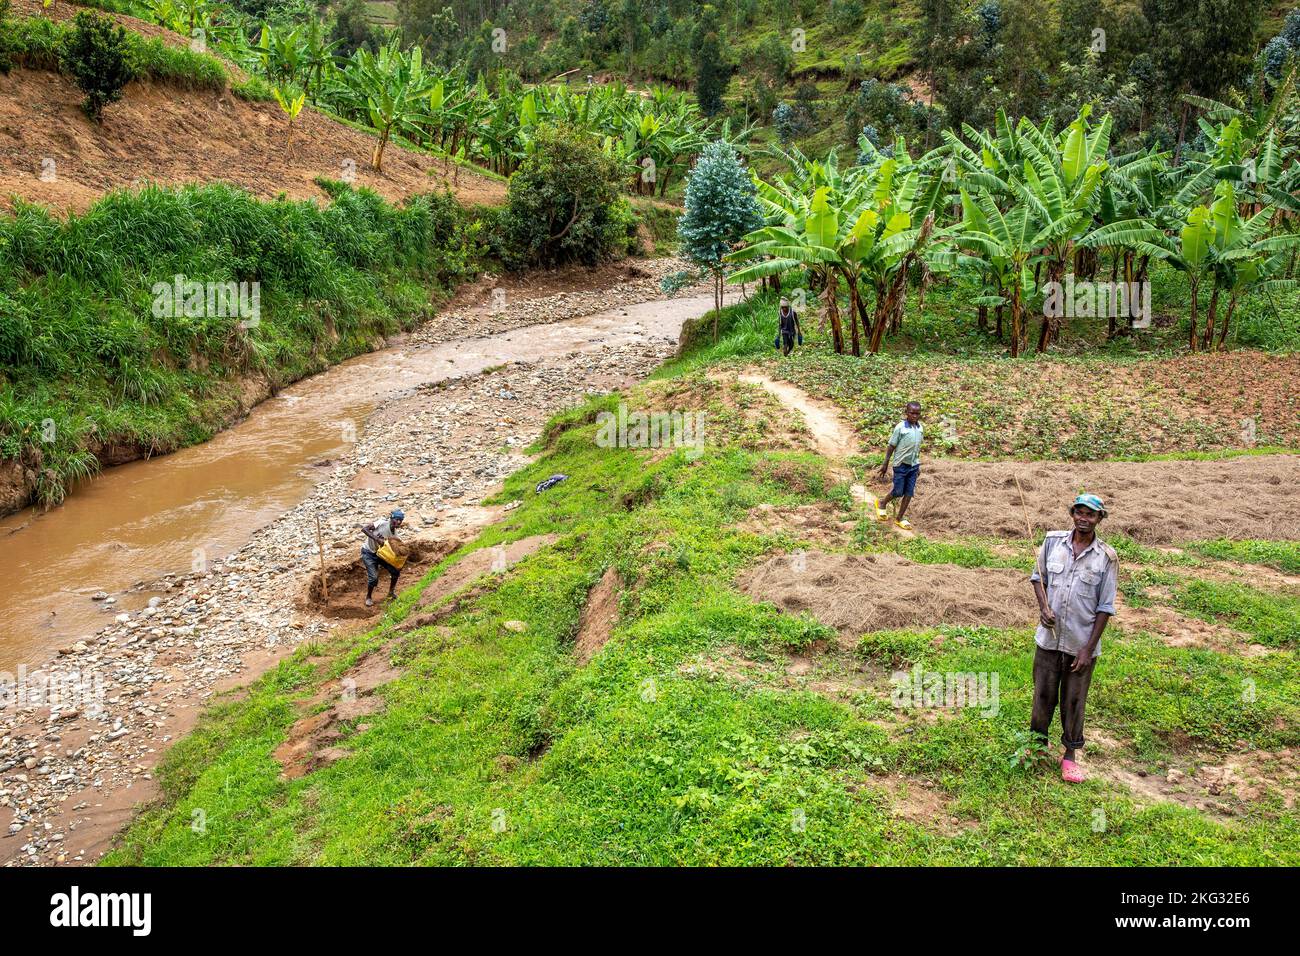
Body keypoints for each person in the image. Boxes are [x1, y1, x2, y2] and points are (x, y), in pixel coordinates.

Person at [1028, 494, 1118, 784]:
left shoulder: (1107, 557)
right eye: (1079, 513)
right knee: (1043, 695)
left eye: (1090, 515)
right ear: (1072, 514)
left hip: (1081, 643)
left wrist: (1087, 650)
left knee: (1074, 701)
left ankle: (1070, 755)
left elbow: (1105, 607)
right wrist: (1044, 608)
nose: (1084, 518)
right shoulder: (1053, 542)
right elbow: (1037, 578)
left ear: (1099, 519)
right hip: (1049, 640)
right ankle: (1037, 747)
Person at [875, 401, 923, 529]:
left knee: (909, 493)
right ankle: (882, 503)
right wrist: (885, 464)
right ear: (906, 413)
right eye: (912, 413)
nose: (914, 416)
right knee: (898, 491)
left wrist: (918, 465)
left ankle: (899, 518)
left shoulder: (920, 428)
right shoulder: (900, 427)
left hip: (913, 466)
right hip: (901, 465)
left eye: (917, 413)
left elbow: (917, 448)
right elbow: (891, 446)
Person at [360, 508, 405, 607]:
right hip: (368, 552)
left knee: (395, 571)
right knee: (373, 578)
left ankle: (391, 593)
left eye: (400, 521)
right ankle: (368, 597)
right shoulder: (381, 523)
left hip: (380, 554)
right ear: (391, 518)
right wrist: (377, 539)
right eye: (396, 519)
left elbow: (394, 549)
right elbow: (364, 529)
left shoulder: (395, 535)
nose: (397, 522)